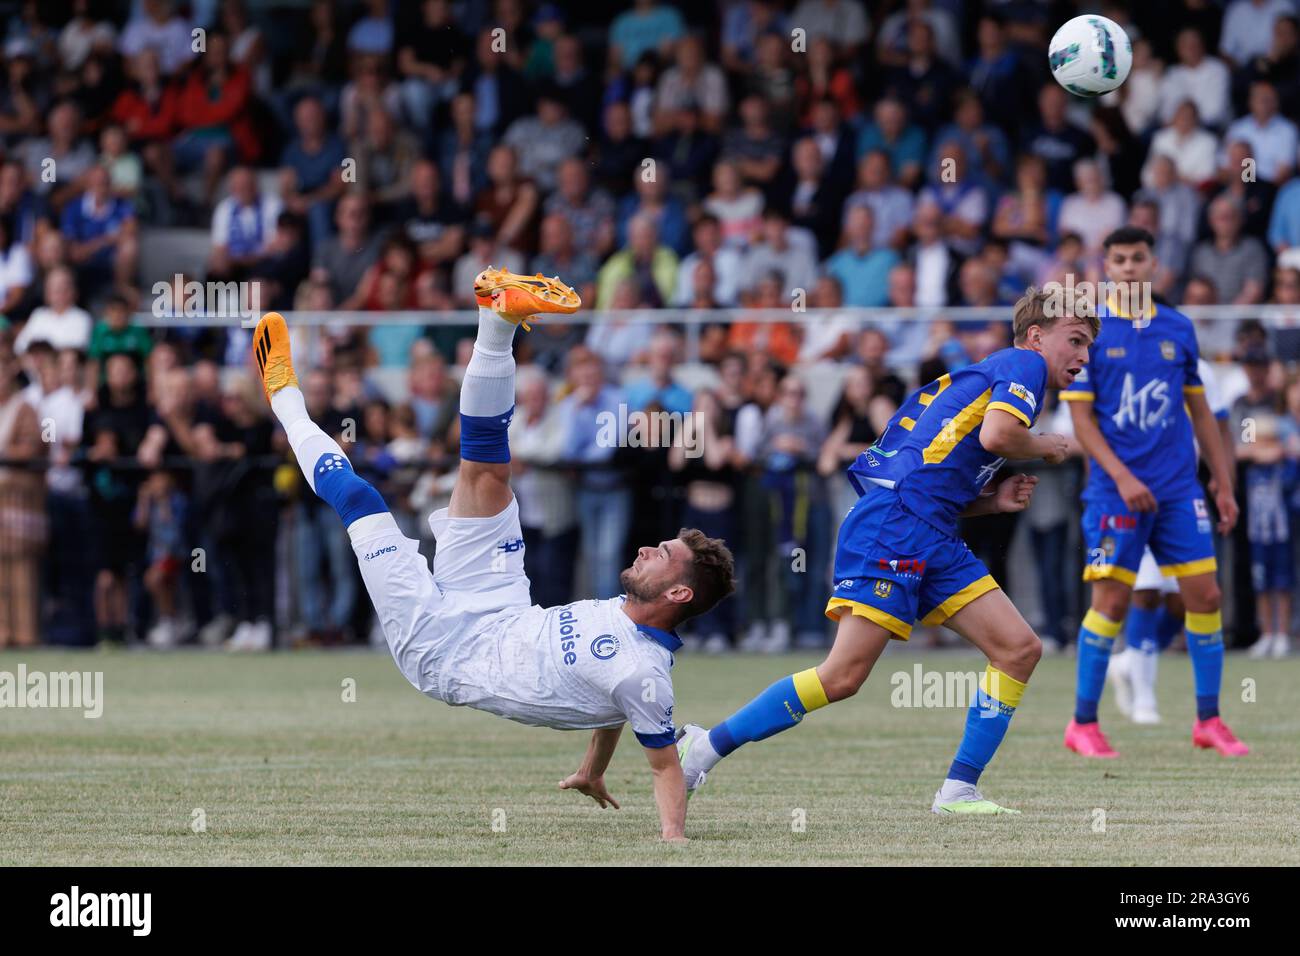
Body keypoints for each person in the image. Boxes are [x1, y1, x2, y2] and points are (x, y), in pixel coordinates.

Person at [252, 268, 735, 842]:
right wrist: (591, 770)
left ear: (678, 593)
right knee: (485, 469)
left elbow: (663, 764)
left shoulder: (646, 676)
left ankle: (284, 397)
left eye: (661, 554)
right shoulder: (629, 635)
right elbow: (613, 706)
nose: (646, 548)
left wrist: (674, 841)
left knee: (360, 499)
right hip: (502, 603)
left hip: (440, 649)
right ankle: (497, 318)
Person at [678, 287, 1093, 814]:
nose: (1082, 356)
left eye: (1088, 346)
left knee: (1019, 648)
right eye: (1075, 340)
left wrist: (989, 502)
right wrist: (1048, 445)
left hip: (927, 528)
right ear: (1036, 336)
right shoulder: (1023, 366)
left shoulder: (983, 375)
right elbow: (999, 435)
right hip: (894, 529)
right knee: (842, 676)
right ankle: (702, 748)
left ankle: (959, 790)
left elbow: (930, 474)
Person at [1060, 226, 1247, 758]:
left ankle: (1208, 720)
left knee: (1206, 596)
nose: (1127, 267)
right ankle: (1083, 723)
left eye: (1136, 258)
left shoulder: (1177, 328)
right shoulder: (1088, 331)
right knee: (1112, 601)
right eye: (1117, 259)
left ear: (1153, 265)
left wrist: (1223, 480)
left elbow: (1200, 412)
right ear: (1105, 267)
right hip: (1115, 492)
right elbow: (1081, 420)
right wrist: (1121, 476)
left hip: (1177, 489)